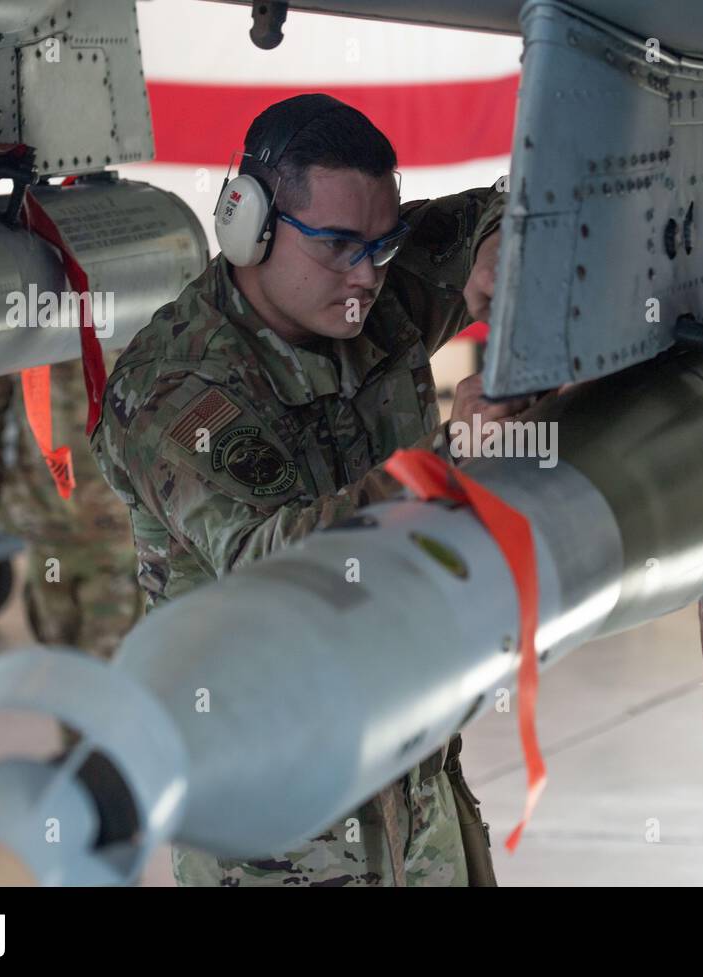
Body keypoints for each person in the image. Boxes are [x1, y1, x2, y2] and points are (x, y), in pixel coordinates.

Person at [91, 93, 530, 886]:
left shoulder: (370, 296)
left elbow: (502, 206)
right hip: (282, 836)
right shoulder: (176, 391)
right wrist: (450, 464)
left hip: (417, 789)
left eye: (383, 242)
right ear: (246, 225)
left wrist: (499, 241)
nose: (366, 274)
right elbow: (277, 563)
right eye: (337, 246)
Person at [0, 355, 142, 660]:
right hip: (115, 526)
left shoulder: (22, 324)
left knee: (60, 666)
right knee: (111, 669)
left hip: (47, 525)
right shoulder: (123, 319)